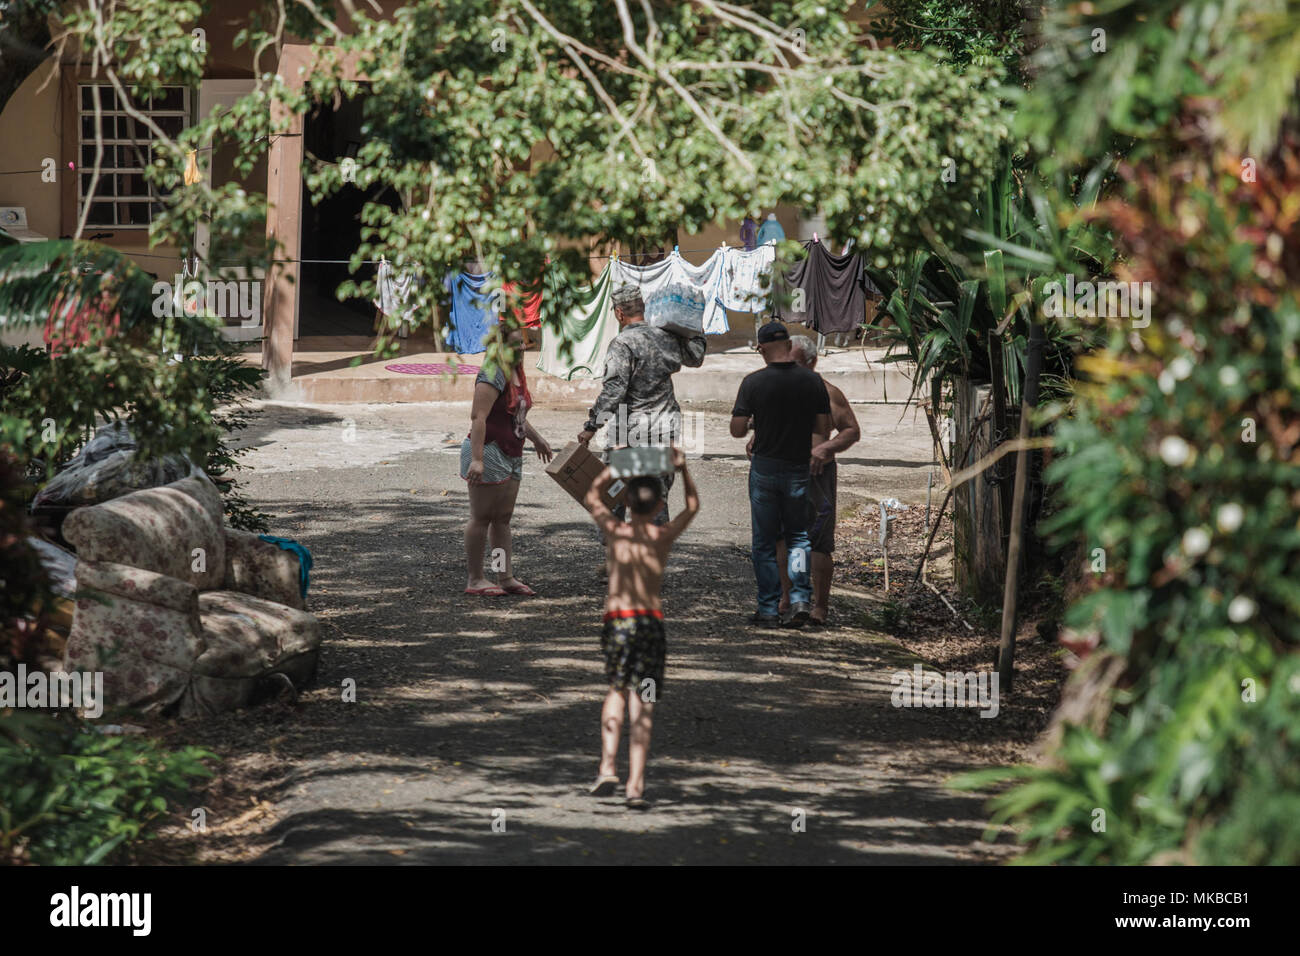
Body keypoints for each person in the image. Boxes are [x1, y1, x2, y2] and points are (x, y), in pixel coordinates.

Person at [584, 447, 699, 808]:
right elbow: (692, 506)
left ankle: (607, 767)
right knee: (644, 700)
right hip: (650, 624)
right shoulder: (661, 537)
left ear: (627, 504)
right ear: (660, 505)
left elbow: (592, 496)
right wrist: (683, 470)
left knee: (617, 690)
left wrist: (618, 466)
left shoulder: (616, 531)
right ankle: (635, 785)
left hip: (618, 623)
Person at [730, 321, 831, 628]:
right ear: (788, 345)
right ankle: (800, 599)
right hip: (799, 468)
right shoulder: (813, 382)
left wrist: (754, 421)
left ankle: (768, 608)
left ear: (761, 349)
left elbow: (737, 430)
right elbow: (822, 429)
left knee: (764, 542)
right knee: (798, 537)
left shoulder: (753, 382)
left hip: (765, 467)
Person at [578, 285, 706, 525]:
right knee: (654, 497)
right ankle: (656, 544)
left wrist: (591, 426)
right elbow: (696, 357)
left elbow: (614, 391)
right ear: (644, 308)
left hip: (629, 436)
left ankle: (615, 544)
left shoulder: (622, 343)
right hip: (663, 432)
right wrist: (696, 329)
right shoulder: (667, 336)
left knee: (614, 494)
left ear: (619, 313)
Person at [765, 335, 861, 626]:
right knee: (782, 537)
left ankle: (820, 606)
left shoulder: (828, 393)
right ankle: (789, 598)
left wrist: (825, 448)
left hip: (815, 476)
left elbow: (851, 430)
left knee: (817, 542)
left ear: (811, 362)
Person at [461, 323, 553, 596]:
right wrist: (477, 459)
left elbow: (517, 416)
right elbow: (478, 417)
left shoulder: (516, 372)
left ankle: (504, 576)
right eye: (515, 343)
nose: (521, 347)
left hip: (512, 451)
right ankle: (475, 579)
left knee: (502, 518)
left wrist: (537, 438)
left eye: (522, 342)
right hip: (489, 450)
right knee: (481, 517)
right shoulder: (492, 373)